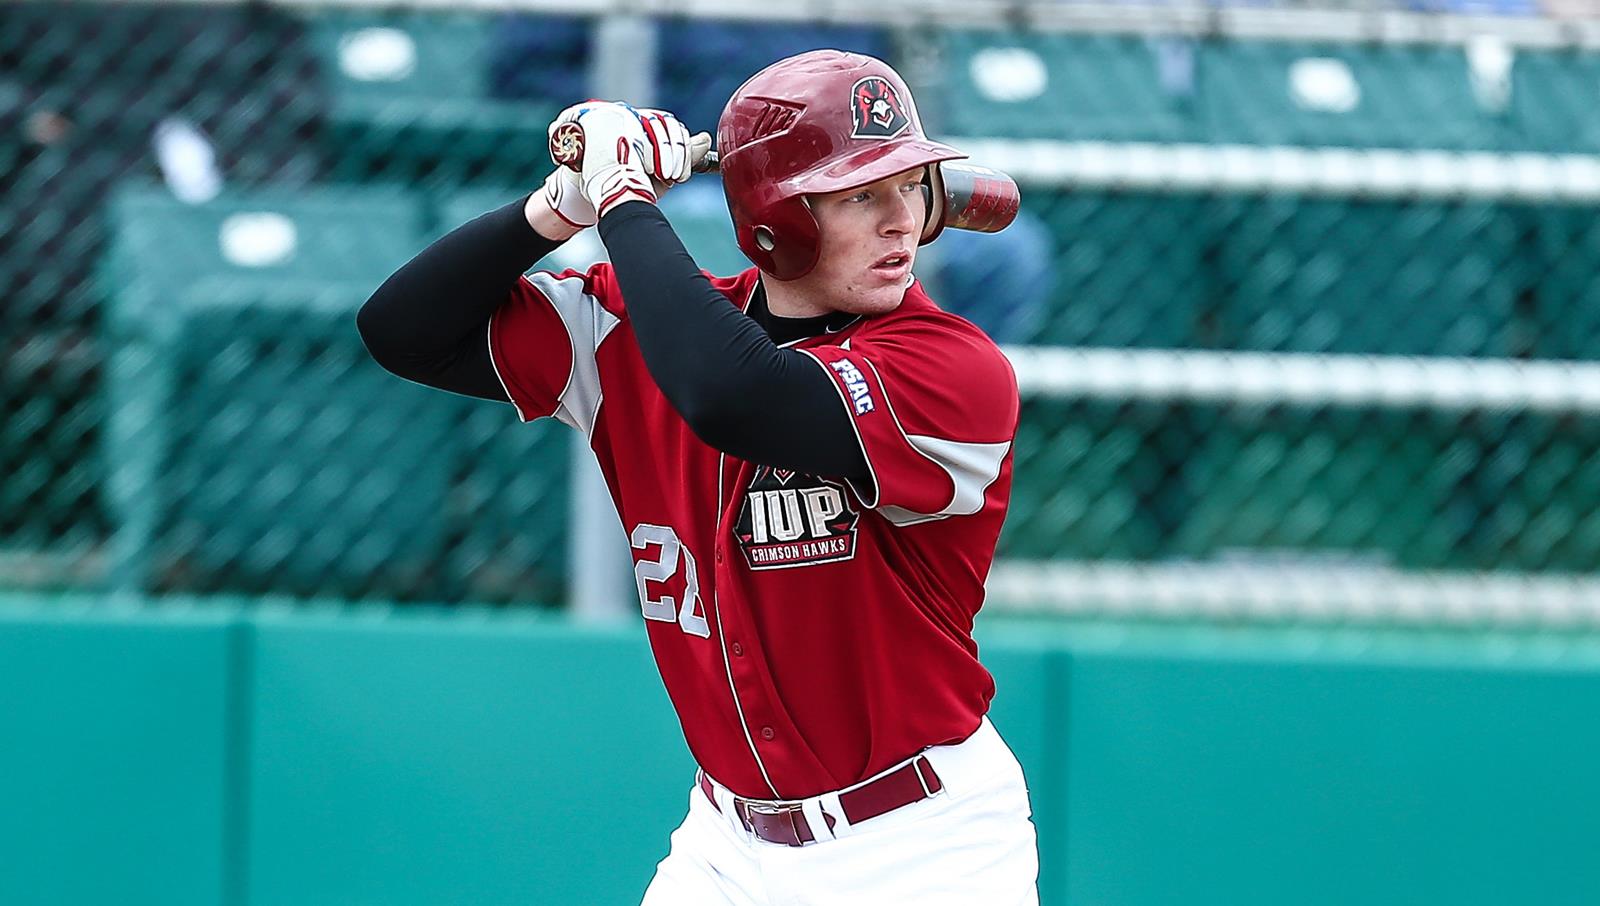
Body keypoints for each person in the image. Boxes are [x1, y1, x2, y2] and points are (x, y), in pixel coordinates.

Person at [357, 50, 1037, 904]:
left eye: (912, 187)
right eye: (862, 194)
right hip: (726, 843)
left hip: (918, 845)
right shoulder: (636, 335)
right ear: (773, 220)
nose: (901, 220)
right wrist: (555, 209)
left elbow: (731, 391)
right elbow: (402, 331)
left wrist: (627, 201)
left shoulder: (950, 367)